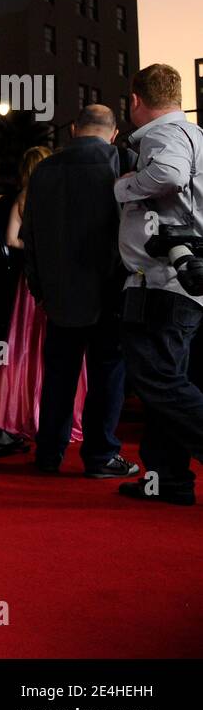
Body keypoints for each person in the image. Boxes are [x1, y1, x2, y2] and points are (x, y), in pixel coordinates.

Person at [21, 105, 137, 477]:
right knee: (107, 376)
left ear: (74, 128)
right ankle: (100, 456)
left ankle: (48, 455)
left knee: (59, 378)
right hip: (109, 293)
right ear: (114, 132)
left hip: (59, 296)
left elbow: (32, 239)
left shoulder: (44, 170)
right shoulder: (122, 162)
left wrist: (39, 290)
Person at [113, 64, 203, 506]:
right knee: (168, 380)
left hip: (163, 282)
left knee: (159, 380)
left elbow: (168, 176)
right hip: (180, 280)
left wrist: (125, 186)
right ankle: (168, 479)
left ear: (134, 100)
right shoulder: (194, 135)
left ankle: (170, 476)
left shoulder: (162, 137)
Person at [0, 146, 89, 439]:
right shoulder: (60, 198)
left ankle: (21, 410)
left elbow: (9, 239)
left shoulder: (22, 198)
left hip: (30, 283)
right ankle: (64, 414)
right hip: (60, 280)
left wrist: (35, 249)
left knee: (25, 345)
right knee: (61, 346)